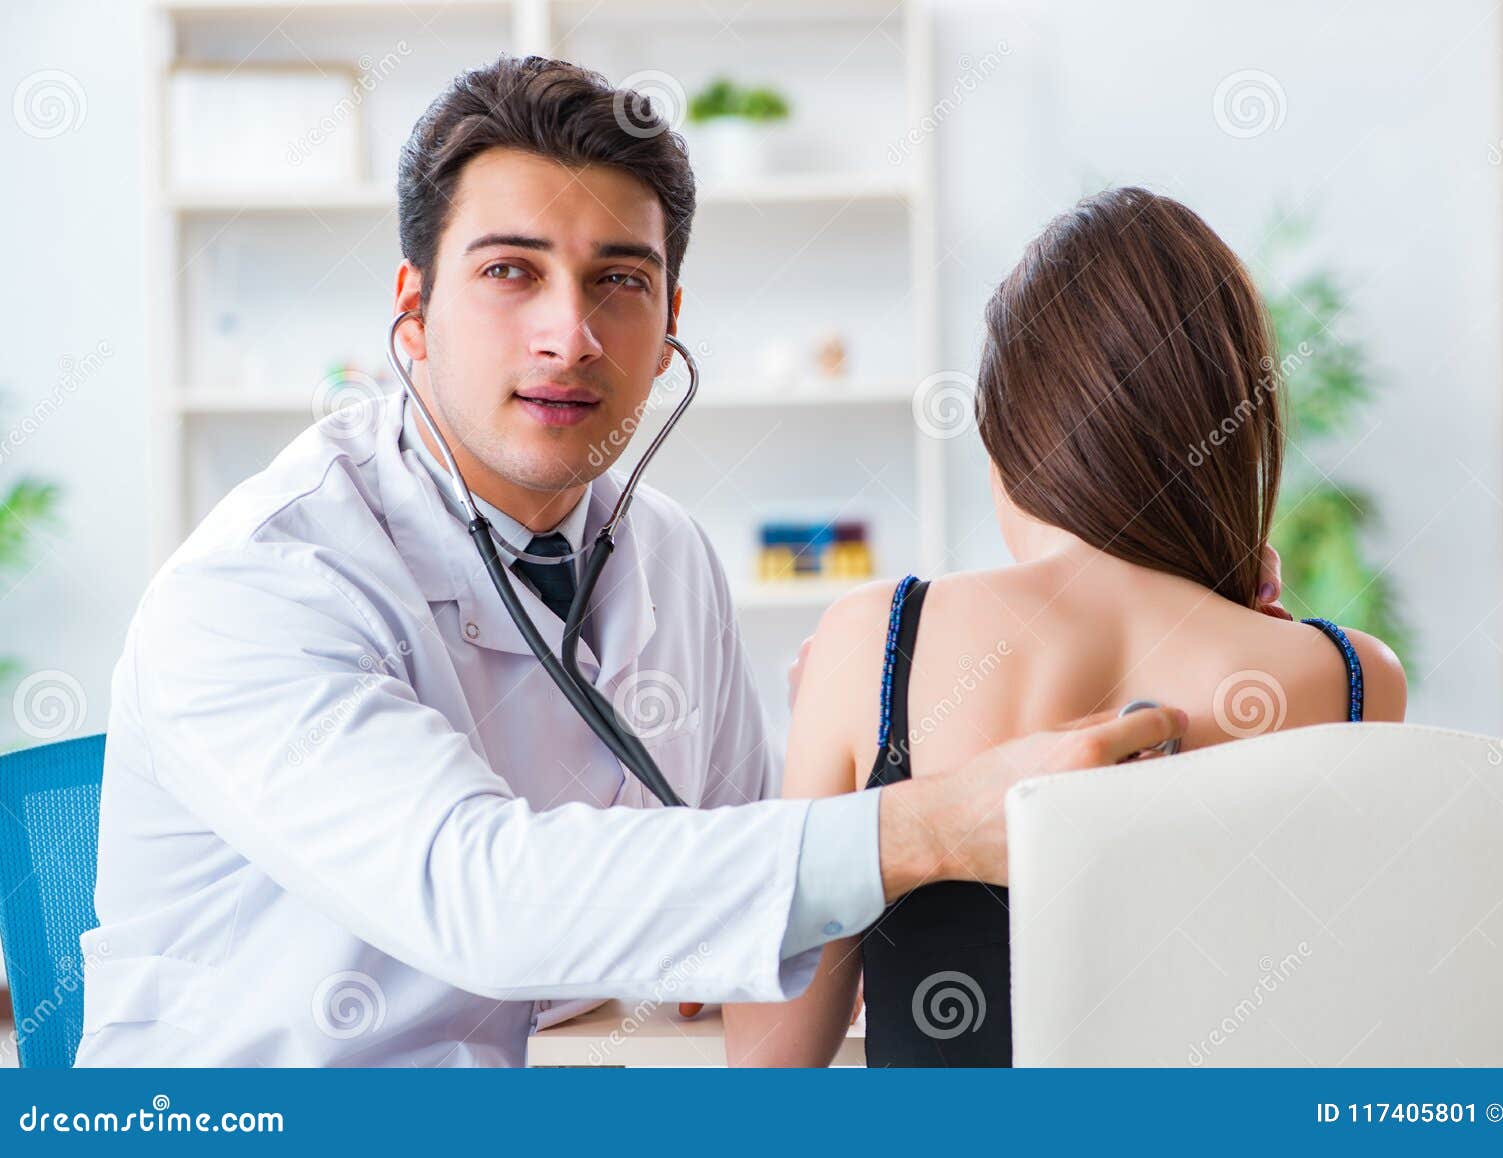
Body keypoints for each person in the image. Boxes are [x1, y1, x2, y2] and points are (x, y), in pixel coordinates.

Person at [73, 60, 1196, 1067]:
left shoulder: (663, 554)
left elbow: (735, 889)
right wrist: (931, 821)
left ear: (668, 327)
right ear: (411, 313)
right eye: (511, 272)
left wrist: (851, 742)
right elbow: (483, 897)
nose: (572, 335)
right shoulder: (263, 582)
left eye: (620, 279)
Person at [723, 187, 1406, 1068]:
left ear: (1007, 435)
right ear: (1233, 430)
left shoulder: (877, 642)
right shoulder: (1354, 675)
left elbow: (769, 1067)